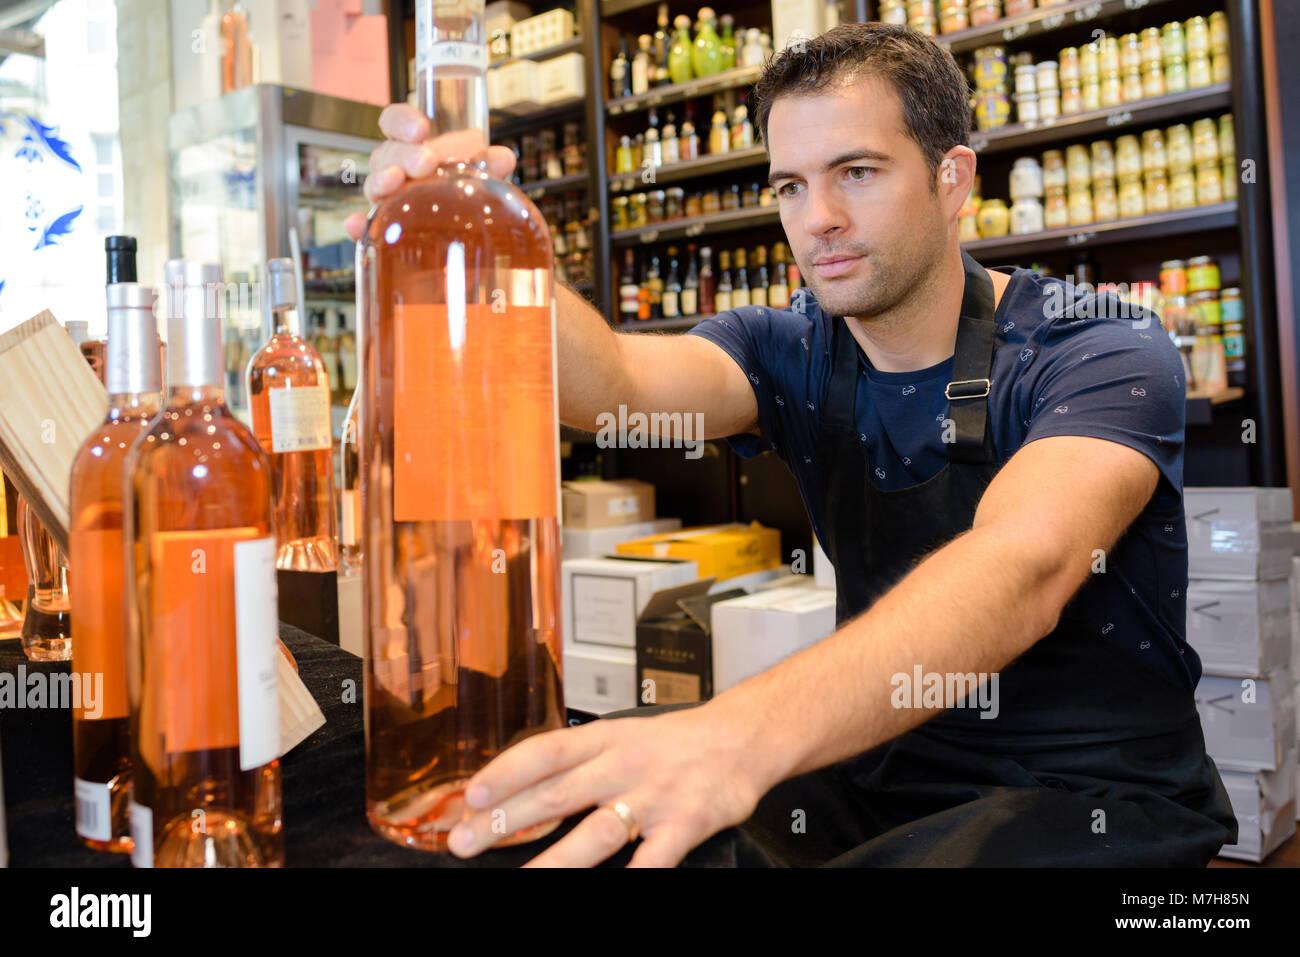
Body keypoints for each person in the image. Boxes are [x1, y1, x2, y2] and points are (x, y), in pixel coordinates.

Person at [344, 22, 1237, 868]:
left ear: (953, 177)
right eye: (791, 186)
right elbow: (612, 382)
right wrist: (485, 235)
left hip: (1100, 799)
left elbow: (1026, 566)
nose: (818, 220)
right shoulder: (791, 347)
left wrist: (731, 734)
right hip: (879, 762)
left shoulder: (1101, 345)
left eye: (857, 172)